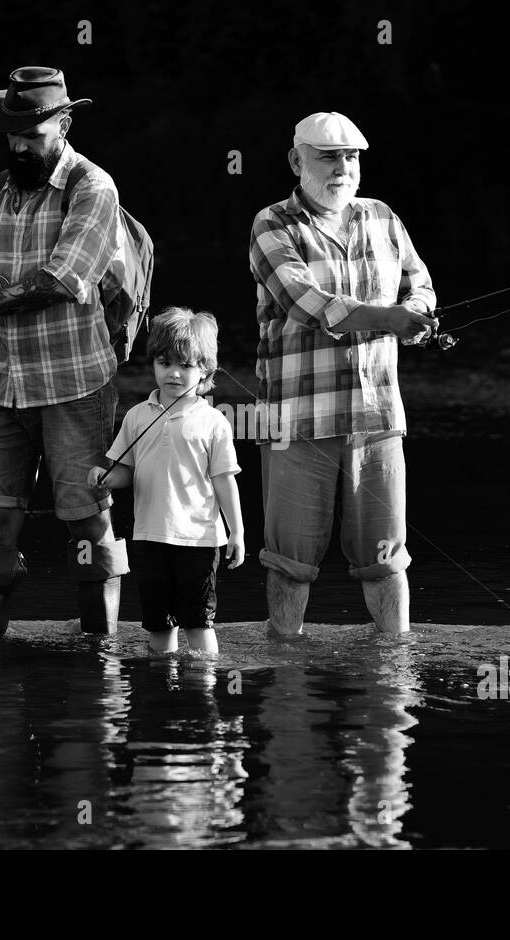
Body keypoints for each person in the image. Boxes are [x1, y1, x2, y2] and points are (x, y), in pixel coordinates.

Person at [0, 66, 128, 637]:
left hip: (74, 384)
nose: (21, 145)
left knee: (86, 521)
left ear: (66, 121)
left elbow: (64, 280)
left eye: (34, 133)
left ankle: (101, 657)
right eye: (13, 134)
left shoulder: (93, 187)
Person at [248, 111, 437, 637]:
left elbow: (418, 282)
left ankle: (393, 667)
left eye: (351, 157)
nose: (343, 168)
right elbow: (308, 304)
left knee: (387, 559)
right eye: (329, 156)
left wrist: (417, 314)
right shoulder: (271, 224)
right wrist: (390, 320)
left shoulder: (383, 216)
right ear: (296, 160)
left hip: (377, 417)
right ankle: (287, 679)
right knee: (290, 563)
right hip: (299, 423)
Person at [88, 307, 245, 654]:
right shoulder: (136, 415)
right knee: (158, 625)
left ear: (205, 369)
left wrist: (238, 532)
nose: (174, 373)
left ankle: (204, 696)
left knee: (198, 623)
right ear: (153, 364)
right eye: (164, 363)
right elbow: (127, 470)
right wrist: (106, 478)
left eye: (186, 366)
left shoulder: (213, 421)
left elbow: (224, 480)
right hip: (149, 537)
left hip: (200, 540)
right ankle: (162, 693)